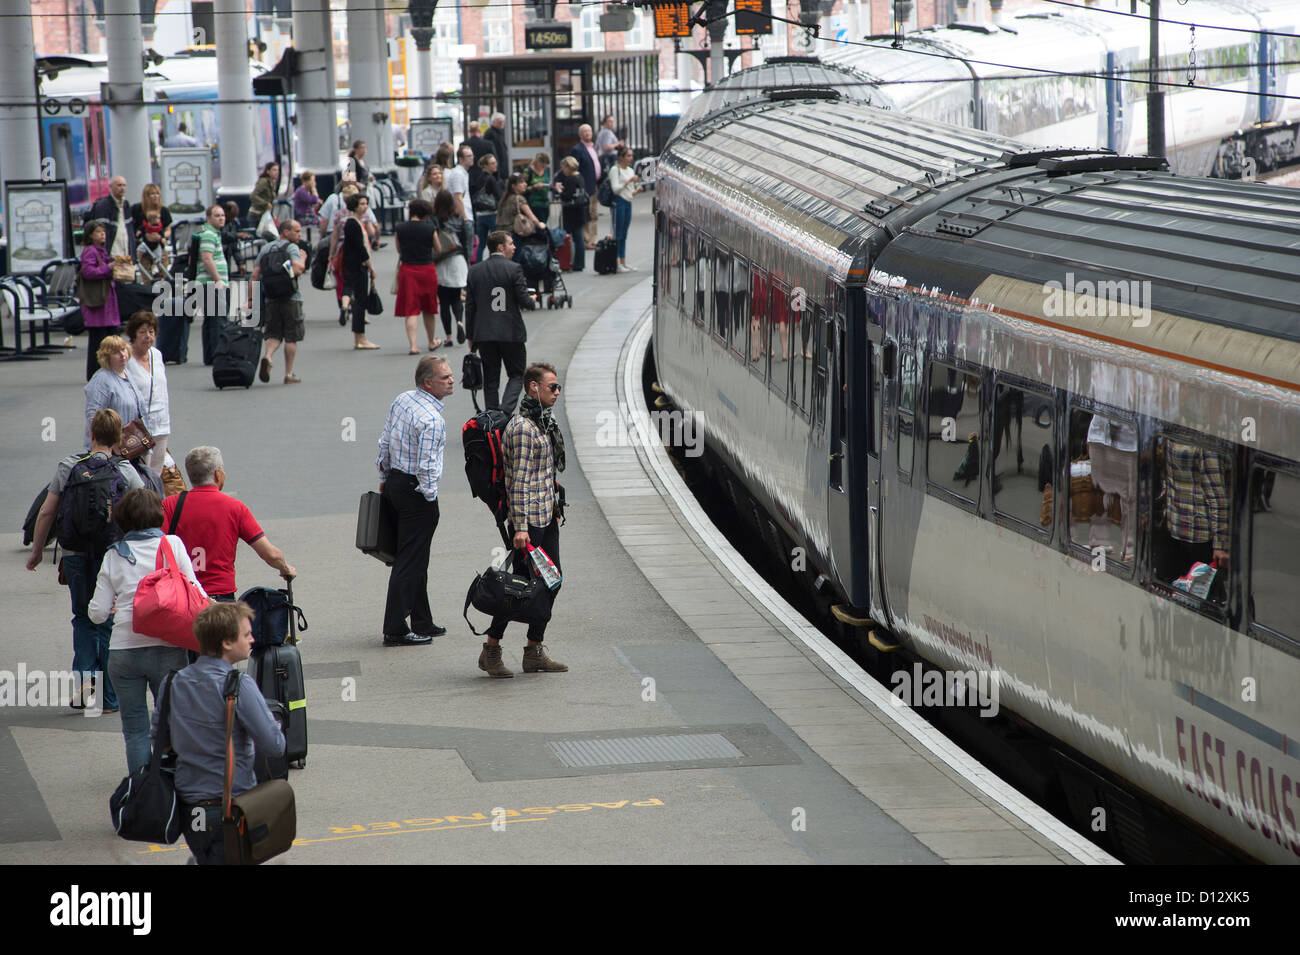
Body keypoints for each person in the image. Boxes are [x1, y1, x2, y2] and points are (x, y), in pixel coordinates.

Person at [27, 409, 146, 711]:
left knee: (82, 618)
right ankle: (108, 698)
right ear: (119, 438)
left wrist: (37, 551)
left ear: (92, 434)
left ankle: (82, 687)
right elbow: (144, 514)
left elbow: (46, 512)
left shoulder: (69, 466)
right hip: (112, 556)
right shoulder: (126, 471)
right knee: (106, 620)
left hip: (76, 556)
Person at [156, 601, 285, 865]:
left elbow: (158, 739)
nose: (252, 639)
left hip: (190, 807)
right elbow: (275, 745)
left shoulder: (172, 682)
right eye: (246, 634)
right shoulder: (238, 685)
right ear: (226, 642)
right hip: (229, 806)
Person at [89, 488, 201, 772]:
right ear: (157, 516)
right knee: (171, 724)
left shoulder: (113, 556)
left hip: (124, 652)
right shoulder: (172, 545)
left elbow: (98, 614)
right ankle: (174, 791)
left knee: (135, 730)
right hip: (169, 647)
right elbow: (195, 590)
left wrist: (117, 604)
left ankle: (142, 793)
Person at [478, 362, 568, 678]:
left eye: (558, 387)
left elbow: (543, 473)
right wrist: (520, 528)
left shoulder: (544, 421)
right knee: (516, 589)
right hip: (528, 521)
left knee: (549, 582)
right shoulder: (523, 429)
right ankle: (491, 649)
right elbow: (518, 481)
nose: (557, 392)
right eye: (552, 387)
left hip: (547, 514)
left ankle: (533, 650)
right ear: (533, 387)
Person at [376, 355, 454, 646]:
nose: (451, 380)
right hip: (416, 493)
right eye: (445, 377)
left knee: (414, 556)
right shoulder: (432, 419)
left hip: (396, 481)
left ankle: (422, 620)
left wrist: (385, 478)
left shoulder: (404, 400)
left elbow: (385, 441)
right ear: (428, 382)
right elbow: (426, 466)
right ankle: (395, 628)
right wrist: (429, 497)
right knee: (409, 561)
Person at [162, 446, 297, 601]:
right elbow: (270, 554)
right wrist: (285, 568)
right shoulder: (234, 508)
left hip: (183, 596)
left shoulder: (171, 505)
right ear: (218, 474)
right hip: (221, 597)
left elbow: (158, 546)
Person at [465, 231, 538, 412]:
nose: (514, 247)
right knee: (516, 374)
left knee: (490, 378)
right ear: (500, 247)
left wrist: (470, 335)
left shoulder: (474, 271)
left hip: (484, 333)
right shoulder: (514, 268)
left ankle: (492, 417)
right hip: (511, 331)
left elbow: (470, 307)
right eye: (511, 244)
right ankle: (505, 412)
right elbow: (524, 301)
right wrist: (533, 300)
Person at [249, 219, 308, 383]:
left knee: (273, 334)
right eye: (296, 231)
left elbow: (254, 275)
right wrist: (303, 258)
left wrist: (250, 299)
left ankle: (268, 356)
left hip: (271, 297)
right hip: (291, 298)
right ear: (285, 232)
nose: (299, 234)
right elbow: (297, 269)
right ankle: (289, 374)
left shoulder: (266, 249)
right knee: (291, 336)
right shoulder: (292, 248)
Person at [123, 312, 172, 474]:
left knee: (156, 473)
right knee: (139, 472)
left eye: (151, 332)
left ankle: (154, 500)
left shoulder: (156, 355)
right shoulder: (126, 359)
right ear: (133, 334)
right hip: (138, 427)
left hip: (161, 423)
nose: (147, 337)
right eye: (142, 332)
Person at [395, 199, 442, 353]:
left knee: (411, 309)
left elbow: (399, 250)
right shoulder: (430, 228)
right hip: (427, 269)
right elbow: (438, 248)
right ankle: (431, 341)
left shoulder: (400, 228)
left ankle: (413, 345)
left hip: (408, 270)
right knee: (429, 308)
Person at [79, 220, 122, 381]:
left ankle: (108, 370)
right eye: (98, 232)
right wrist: (108, 268)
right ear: (90, 235)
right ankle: (95, 373)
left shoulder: (101, 251)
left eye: (103, 232)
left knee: (108, 337)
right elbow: (88, 272)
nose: (102, 234)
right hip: (97, 302)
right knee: (98, 340)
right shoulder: (90, 251)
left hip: (105, 300)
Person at [84, 335, 144, 449]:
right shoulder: (101, 380)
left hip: (131, 444)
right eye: (116, 352)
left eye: (123, 349)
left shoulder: (127, 373)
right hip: (110, 448)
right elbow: (94, 416)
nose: (122, 355)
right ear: (106, 357)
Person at [338, 193, 381, 350]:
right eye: (362, 203)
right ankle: (360, 338)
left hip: (355, 265)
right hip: (358, 266)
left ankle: (360, 338)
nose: (364, 206)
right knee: (360, 301)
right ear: (355, 205)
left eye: (366, 203)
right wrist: (370, 266)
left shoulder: (356, 222)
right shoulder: (352, 223)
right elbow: (360, 248)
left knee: (360, 301)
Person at [432, 188, 472, 346]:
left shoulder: (433, 219)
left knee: (444, 301)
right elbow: (467, 241)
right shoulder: (459, 218)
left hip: (441, 261)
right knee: (456, 297)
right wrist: (467, 260)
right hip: (458, 260)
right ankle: (460, 322)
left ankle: (448, 336)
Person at [196, 204, 231, 366]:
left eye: (222, 215)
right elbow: (207, 258)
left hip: (207, 284)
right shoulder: (209, 234)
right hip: (211, 284)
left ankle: (210, 356)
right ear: (208, 218)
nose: (221, 218)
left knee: (210, 320)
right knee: (217, 320)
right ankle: (217, 355)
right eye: (217, 215)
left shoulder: (210, 233)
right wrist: (218, 280)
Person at [84, 175, 135, 259]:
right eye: (119, 185)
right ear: (111, 187)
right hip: (112, 256)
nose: (122, 188)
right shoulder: (103, 205)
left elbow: (130, 232)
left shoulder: (126, 205)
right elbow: (101, 232)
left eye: (124, 185)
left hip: (126, 255)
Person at [569, 124, 602, 251]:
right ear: (580, 135)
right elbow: (574, 168)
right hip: (585, 187)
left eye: (589, 130)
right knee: (586, 214)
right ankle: (587, 239)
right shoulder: (577, 149)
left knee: (594, 213)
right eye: (584, 131)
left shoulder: (593, 148)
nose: (587, 133)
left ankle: (593, 240)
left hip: (594, 185)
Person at [553, 156, 588, 272]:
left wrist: (559, 191)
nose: (563, 170)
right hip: (580, 210)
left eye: (563, 168)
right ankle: (579, 263)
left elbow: (567, 195)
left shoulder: (570, 179)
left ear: (568, 167)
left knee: (567, 237)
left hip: (570, 211)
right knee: (578, 237)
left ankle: (567, 261)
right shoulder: (580, 177)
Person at [608, 146, 640, 273]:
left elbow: (631, 192)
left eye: (631, 156)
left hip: (628, 202)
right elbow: (615, 189)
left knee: (624, 233)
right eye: (628, 156)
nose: (630, 158)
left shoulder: (631, 170)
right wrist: (628, 181)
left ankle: (623, 262)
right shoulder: (615, 170)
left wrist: (636, 190)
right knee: (618, 233)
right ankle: (616, 262)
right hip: (619, 202)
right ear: (621, 157)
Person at [469, 154, 503, 264]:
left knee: (482, 244)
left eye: (495, 162)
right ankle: (496, 264)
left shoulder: (478, 178)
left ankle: (479, 265)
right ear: (485, 166)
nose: (495, 165)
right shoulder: (491, 179)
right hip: (492, 214)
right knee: (496, 242)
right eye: (492, 163)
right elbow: (499, 196)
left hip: (480, 215)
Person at [497, 172, 544, 249]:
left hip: (501, 233)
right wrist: (540, 225)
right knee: (516, 257)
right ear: (513, 186)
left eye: (525, 182)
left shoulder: (504, 199)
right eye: (521, 182)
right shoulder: (519, 199)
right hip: (514, 233)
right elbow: (531, 216)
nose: (525, 184)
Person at [447, 145, 476, 254]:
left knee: (468, 250)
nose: (472, 158)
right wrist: (465, 219)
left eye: (472, 155)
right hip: (462, 218)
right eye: (469, 156)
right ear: (460, 159)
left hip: (466, 216)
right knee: (466, 251)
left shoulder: (463, 173)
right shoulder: (458, 174)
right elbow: (457, 197)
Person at [292, 171, 321, 244]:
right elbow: (314, 200)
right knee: (322, 222)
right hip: (302, 217)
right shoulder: (301, 191)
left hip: (307, 215)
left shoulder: (306, 191)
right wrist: (314, 188)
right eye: (312, 180)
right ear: (306, 181)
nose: (314, 182)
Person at [249, 162, 280, 227]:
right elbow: (253, 195)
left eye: (277, 170)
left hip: (265, 213)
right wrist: (265, 203)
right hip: (256, 214)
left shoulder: (273, 182)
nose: (277, 172)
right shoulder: (263, 181)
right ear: (268, 171)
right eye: (274, 170)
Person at [524, 152, 551, 224]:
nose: (544, 167)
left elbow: (548, 182)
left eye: (545, 166)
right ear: (537, 162)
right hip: (533, 203)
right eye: (542, 165)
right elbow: (523, 189)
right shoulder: (528, 171)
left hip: (545, 203)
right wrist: (534, 187)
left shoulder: (547, 170)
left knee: (544, 224)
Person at [485, 112, 509, 181]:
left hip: (501, 167)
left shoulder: (500, 132)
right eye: (500, 122)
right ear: (493, 122)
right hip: (496, 167)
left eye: (503, 122)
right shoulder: (490, 133)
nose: (502, 124)